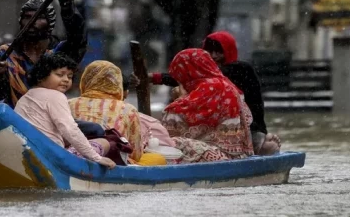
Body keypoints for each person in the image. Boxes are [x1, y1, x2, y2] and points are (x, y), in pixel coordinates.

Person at [132, 31, 281, 155]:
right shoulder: (216, 83)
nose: (214, 56)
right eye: (210, 51)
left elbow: (190, 75)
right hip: (232, 135)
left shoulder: (236, 71)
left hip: (249, 129)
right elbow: (189, 75)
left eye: (219, 51)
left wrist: (159, 81)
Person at [0, 0, 88, 107]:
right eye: (27, 17)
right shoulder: (6, 53)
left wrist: (66, 1)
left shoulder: (59, 53)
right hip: (14, 121)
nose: (31, 22)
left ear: (50, 24)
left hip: (50, 120)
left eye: (39, 18)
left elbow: (78, 37)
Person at [13, 53, 116, 169]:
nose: (66, 80)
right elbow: (70, 129)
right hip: (52, 158)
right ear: (41, 76)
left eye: (70, 76)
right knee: (105, 143)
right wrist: (96, 158)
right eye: (60, 74)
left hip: (27, 153)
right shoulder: (56, 96)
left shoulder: (24, 98)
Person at [161, 49, 254, 163]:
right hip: (237, 155)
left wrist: (180, 98)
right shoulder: (225, 84)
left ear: (189, 72)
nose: (182, 83)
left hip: (223, 157)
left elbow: (172, 119)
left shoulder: (213, 86)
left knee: (171, 143)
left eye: (181, 78)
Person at [68, 60, 163, 162]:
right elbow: (135, 154)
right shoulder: (127, 109)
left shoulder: (68, 103)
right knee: (157, 159)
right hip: (115, 162)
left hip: (72, 157)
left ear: (86, 80)